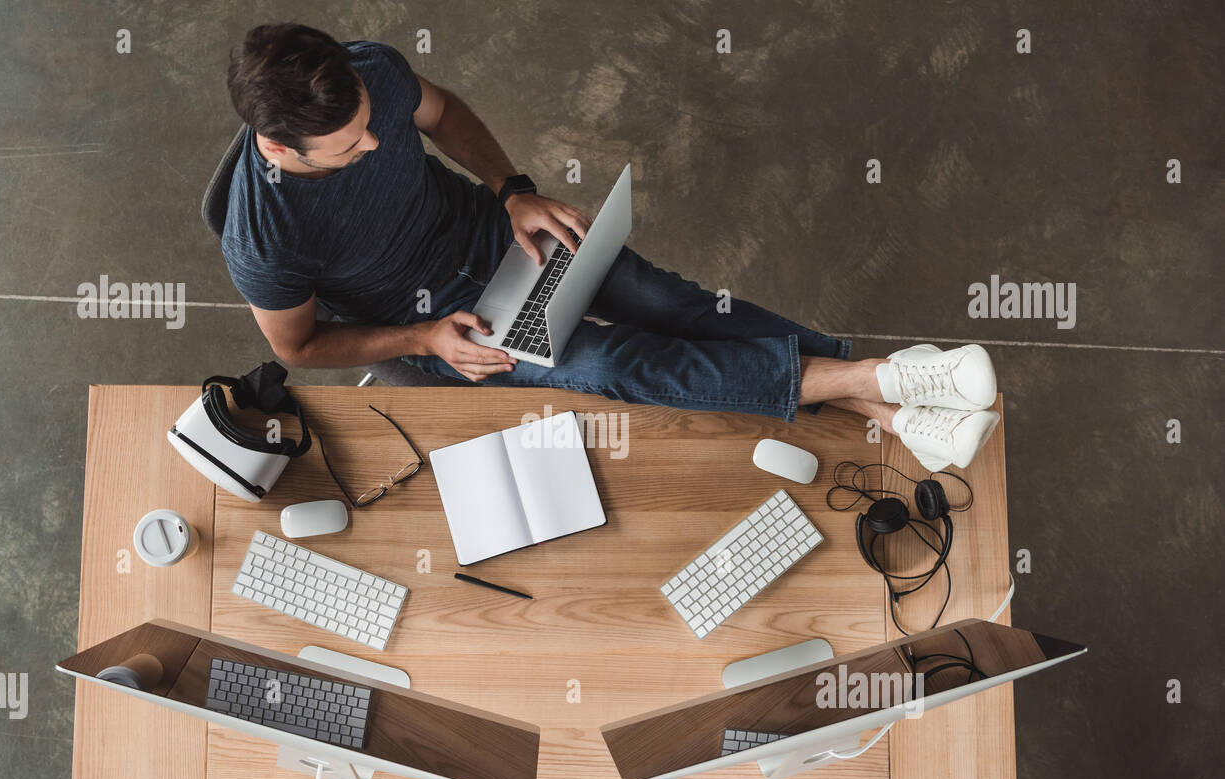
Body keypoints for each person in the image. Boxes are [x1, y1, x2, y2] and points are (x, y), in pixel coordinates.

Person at [221, 23, 1000, 472]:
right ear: (282, 150)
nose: (378, 142)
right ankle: (881, 379)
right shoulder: (264, 238)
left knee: (669, 301)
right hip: (441, 324)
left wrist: (512, 188)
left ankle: (889, 410)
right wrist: (422, 336)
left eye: (369, 121)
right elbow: (300, 345)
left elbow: (444, 113)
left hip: (496, 232)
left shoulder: (370, 72)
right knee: (618, 363)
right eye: (353, 145)